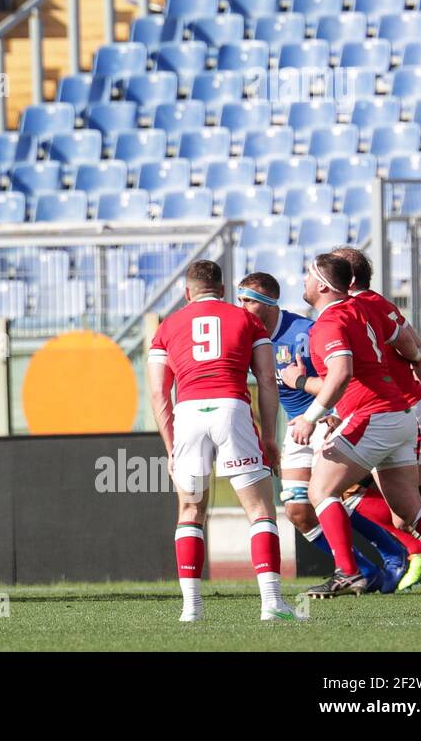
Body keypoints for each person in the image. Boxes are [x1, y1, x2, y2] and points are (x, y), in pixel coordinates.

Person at [286, 254, 421, 598]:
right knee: (407, 509)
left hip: (373, 414)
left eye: (307, 276)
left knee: (320, 491)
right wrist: (418, 381)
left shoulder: (330, 322)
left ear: (323, 284)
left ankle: (348, 571)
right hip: (402, 412)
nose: (302, 283)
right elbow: (415, 348)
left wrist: (309, 415)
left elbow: (341, 373)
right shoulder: (368, 308)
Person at [237, 271, 407, 595]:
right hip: (296, 425)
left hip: (327, 419)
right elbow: (268, 390)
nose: (242, 306)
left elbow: (339, 377)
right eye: (240, 299)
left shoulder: (305, 331)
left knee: (328, 494)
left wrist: (330, 414)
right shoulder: (248, 337)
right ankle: (364, 569)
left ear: (269, 304)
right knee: (298, 511)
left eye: (249, 300)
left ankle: (388, 551)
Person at [148, 260, 295, 622]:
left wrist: (170, 448)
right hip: (231, 407)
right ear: (224, 291)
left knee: (189, 510)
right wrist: (269, 437)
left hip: (189, 414)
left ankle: (191, 608)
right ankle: (271, 604)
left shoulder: (167, 326)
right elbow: (266, 379)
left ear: (187, 292)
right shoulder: (247, 320)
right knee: (259, 510)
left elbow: (157, 392)